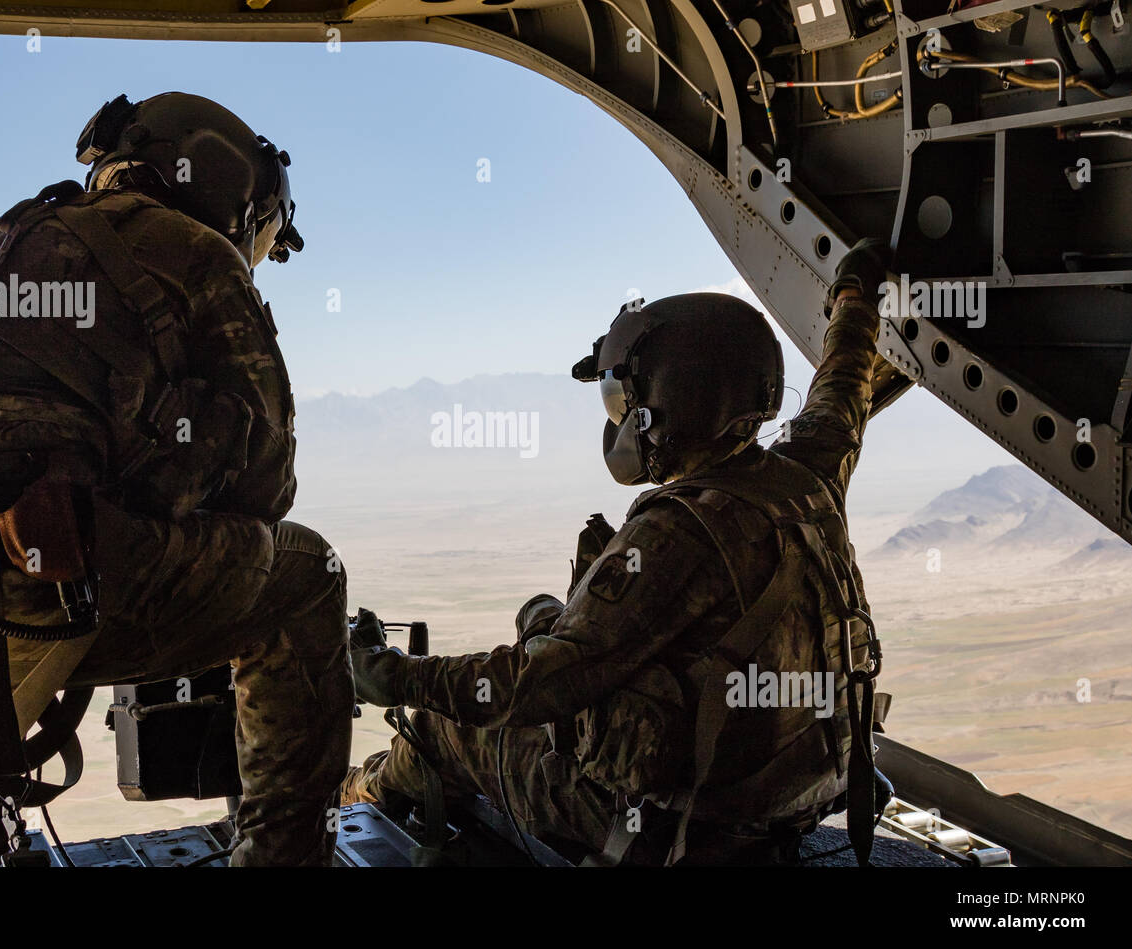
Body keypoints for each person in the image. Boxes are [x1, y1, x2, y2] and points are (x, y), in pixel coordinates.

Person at [0, 92, 351, 866]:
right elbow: (267, 492)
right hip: (13, 584)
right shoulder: (190, 251)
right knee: (307, 575)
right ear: (226, 187)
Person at [345, 241, 898, 865]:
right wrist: (855, 295)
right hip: (804, 791)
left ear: (673, 405)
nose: (620, 420)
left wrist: (387, 675)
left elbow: (528, 689)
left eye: (624, 402)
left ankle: (366, 798)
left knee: (445, 728)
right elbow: (844, 383)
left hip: (689, 828)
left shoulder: (678, 531)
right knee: (545, 614)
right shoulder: (810, 474)